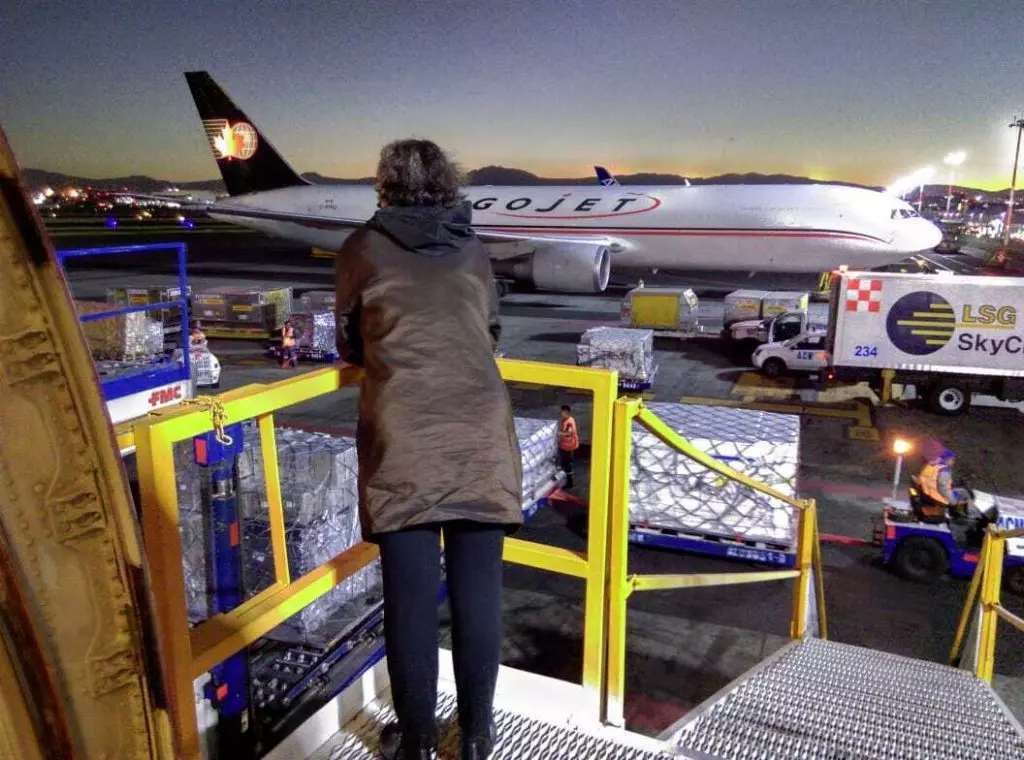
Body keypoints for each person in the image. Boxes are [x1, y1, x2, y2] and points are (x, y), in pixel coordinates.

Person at [334, 139, 523, 760]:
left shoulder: (362, 247)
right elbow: (489, 328)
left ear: (384, 184)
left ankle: (415, 741)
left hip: (405, 433)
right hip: (479, 430)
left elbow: (349, 341)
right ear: (449, 182)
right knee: (479, 598)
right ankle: (474, 740)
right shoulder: (471, 245)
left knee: (410, 600)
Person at [918, 448, 971, 514]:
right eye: (952, 459)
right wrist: (952, 501)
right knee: (963, 492)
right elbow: (942, 487)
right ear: (946, 459)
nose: (953, 462)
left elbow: (923, 479)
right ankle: (963, 514)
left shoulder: (930, 466)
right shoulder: (945, 469)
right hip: (938, 496)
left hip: (927, 493)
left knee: (958, 491)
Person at [558, 405, 579, 490]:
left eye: (562, 412)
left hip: (568, 446)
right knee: (565, 463)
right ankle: (566, 480)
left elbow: (569, 433)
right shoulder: (568, 420)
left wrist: (559, 433)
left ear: (566, 412)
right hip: (566, 445)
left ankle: (569, 482)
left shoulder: (569, 422)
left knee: (567, 464)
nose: (560, 413)